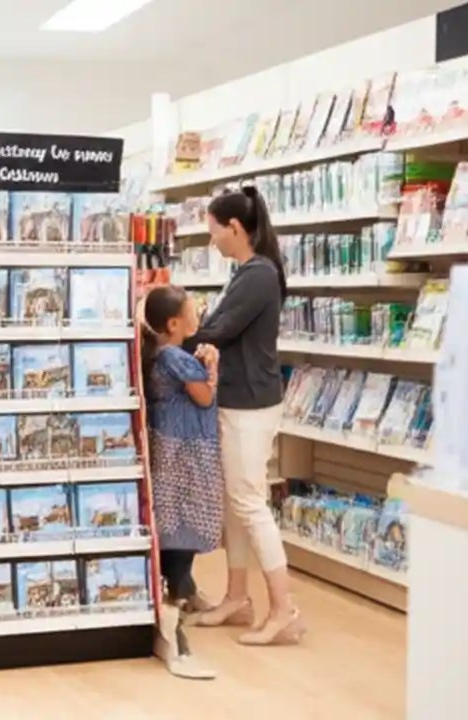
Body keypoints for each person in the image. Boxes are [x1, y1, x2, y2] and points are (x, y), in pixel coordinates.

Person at [184, 186, 305, 646]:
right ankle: (237, 596)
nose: (212, 240)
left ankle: (283, 608)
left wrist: (175, 333)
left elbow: (219, 330)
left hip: (250, 404)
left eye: (214, 231)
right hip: (239, 399)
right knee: (237, 503)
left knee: (250, 503)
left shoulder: (258, 274)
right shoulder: (246, 272)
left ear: (235, 228)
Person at [140, 284, 221, 678]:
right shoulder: (175, 356)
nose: (198, 317)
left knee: (170, 518)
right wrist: (212, 367)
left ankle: (182, 587)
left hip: (167, 446)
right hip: (187, 450)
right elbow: (204, 396)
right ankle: (180, 587)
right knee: (185, 520)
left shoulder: (159, 352)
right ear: (174, 324)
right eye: (192, 312)